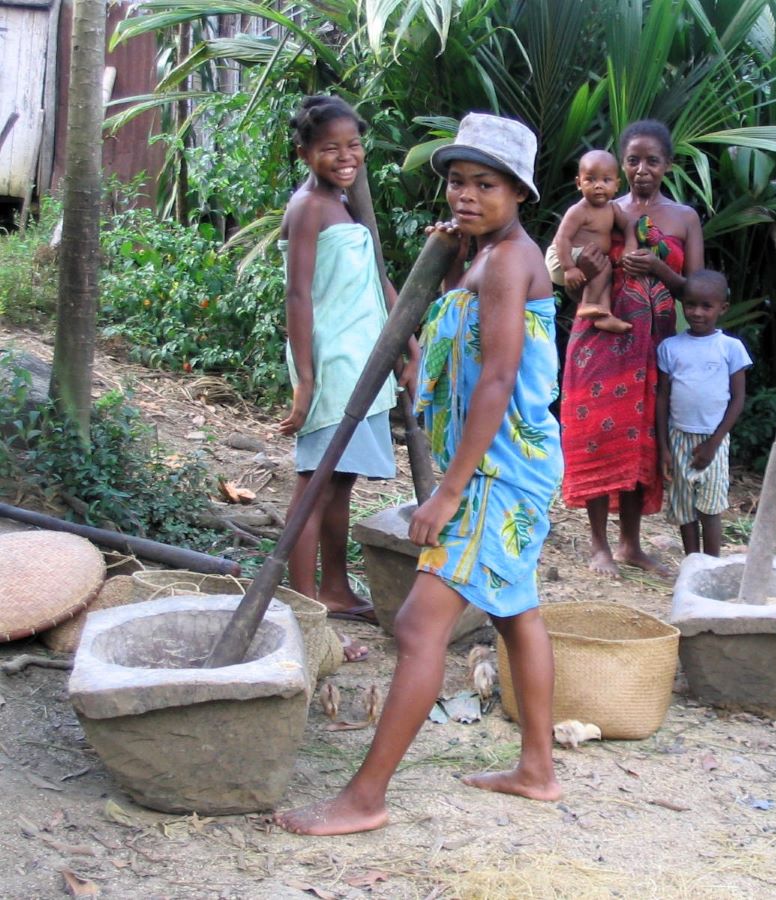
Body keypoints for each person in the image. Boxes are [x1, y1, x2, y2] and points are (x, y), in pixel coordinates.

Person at [276, 112, 564, 836]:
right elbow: (456, 341)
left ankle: (365, 798)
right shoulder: (484, 256)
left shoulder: (509, 261)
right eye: (458, 182)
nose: (466, 195)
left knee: (415, 625)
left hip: (495, 475)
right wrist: (447, 262)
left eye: (486, 185)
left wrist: (447, 491)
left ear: (519, 192)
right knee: (514, 610)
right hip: (511, 466)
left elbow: (497, 378)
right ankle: (537, 769)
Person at [278, 95, 403, 660]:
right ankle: (307, 610)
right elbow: (298, 295)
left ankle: (334, 588)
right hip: (331, 364)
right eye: (331, 148)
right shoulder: (309, 208)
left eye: (354, 145)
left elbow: (375, 278)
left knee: (341, 480)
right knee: (315, 482)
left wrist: (404, 341)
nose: (346, 156)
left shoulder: (346, 202)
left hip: (363, 361)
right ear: (304, 153)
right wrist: (305, 380)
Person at [560, 119, 704, 578]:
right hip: (601, 339)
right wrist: (583, 268)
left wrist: (659, 268)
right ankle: (599, 545)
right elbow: (570, 283)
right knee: (598, 435)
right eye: (634, 160)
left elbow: (697, 290)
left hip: (655, 343)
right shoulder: (599, 207)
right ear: (621, 165)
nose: (643, 169)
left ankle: (630, 545)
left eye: (653, 161)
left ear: (668, 165)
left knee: (642, 440)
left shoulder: (684, 218)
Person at [655, 269, 751, 556]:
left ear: (723, 308)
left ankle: (711, 566)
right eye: (691, 304)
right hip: (678, 436)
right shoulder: (670, 347)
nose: (697, 312)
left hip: (714, 438)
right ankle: (693, 565)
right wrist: (664, 448)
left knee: (710, 508)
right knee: (684, 508)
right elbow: (662, 397)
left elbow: (738, 399)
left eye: (706, 306)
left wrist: (714, 443)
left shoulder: (731, 348)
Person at [546, 149, 634, 334]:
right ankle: (587, 304)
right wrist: (569, 268)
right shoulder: (579, 211)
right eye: (591, 180)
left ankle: (604, 315)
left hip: (585, 259)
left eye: (606, 180)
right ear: (579, 183)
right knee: (604, 266)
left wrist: (630, 246)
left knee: (606, 275)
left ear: (617, 185)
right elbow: (562, 238)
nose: (598, 186)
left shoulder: (613, 208)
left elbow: (629, 225)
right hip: (562, 257)